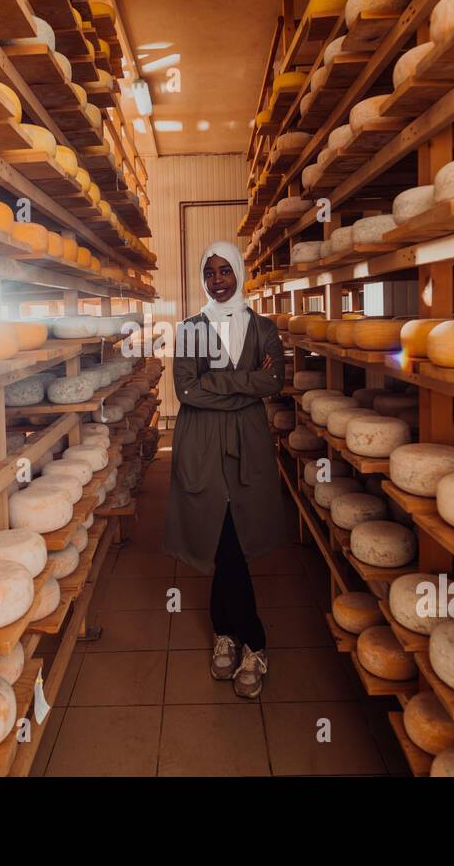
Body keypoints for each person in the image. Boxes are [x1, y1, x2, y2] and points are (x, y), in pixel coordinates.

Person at [163, 240, 286, 699]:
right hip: (201, 442)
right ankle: (250, 639)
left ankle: (228, 634)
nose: (217, 281)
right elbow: (186, 391)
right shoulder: (192, 329)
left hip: (247, 442)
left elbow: (276, 381)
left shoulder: (264, 326)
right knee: (219, 536)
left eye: (225, 272)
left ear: (239, 273)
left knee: (235, 535)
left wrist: (226, 383)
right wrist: (248, 383)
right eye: (210, 273)